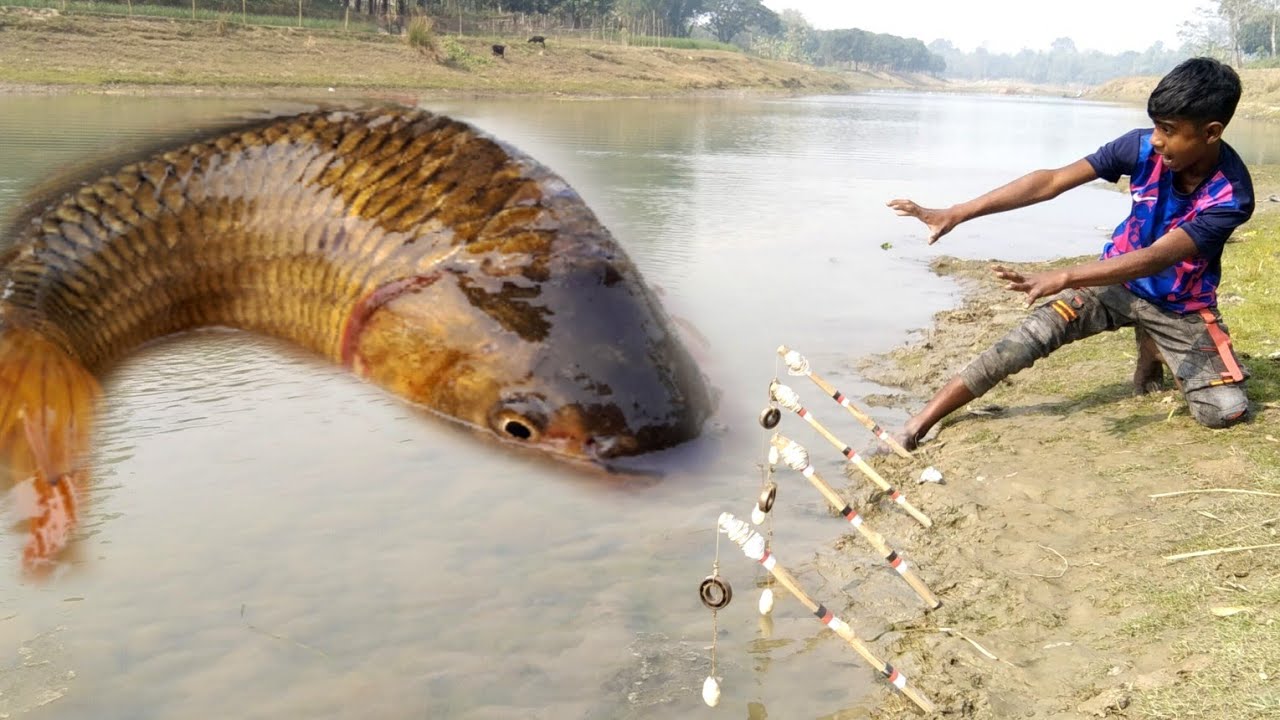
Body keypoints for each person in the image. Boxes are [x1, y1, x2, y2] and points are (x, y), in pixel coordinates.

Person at [886, 56, 1254, 451]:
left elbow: (1159, 257)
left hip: (1179, 304)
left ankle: (1153, 345)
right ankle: (917, 424)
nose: (1157, 139)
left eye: (1168, 129)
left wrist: (1065, 276)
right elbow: (1052, 181)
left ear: (1211, 133)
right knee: (1028, 337)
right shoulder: (1141, 147)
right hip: (1113, 280)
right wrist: (958, 212)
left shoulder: (1231, 195)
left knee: (1224, 410)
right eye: (1156, 125)